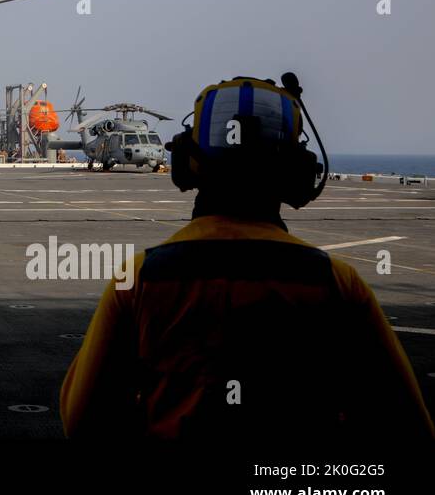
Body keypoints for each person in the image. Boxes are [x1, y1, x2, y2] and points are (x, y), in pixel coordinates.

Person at [61, 73, 434, 440]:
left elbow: (82, 420)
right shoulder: (337, 284)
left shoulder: (142, 279)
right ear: (298, 174)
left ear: (187, 165)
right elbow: (406, 427)